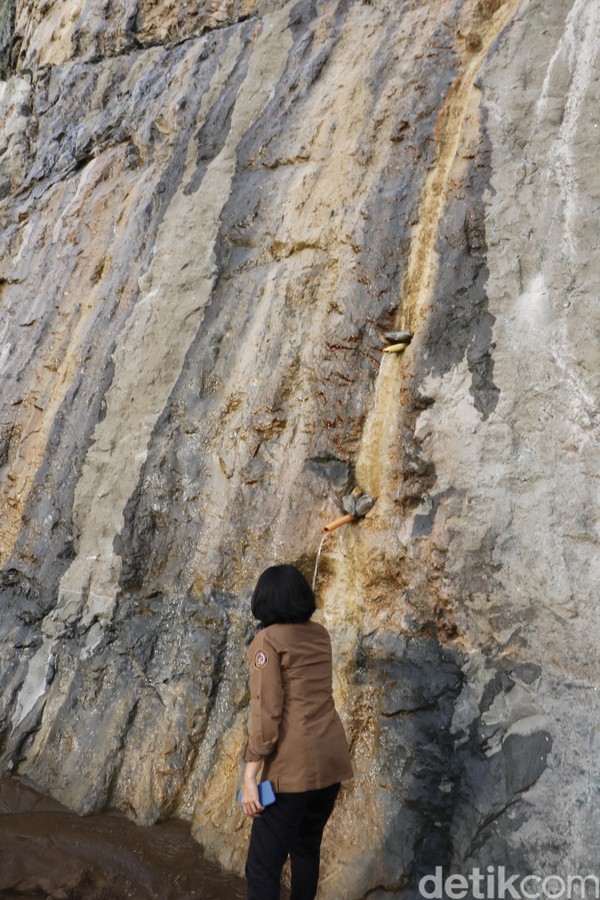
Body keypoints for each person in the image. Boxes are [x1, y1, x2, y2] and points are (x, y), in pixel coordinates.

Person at [240, 564, 353, 900]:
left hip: (293, 771)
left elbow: (267, 713)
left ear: (264, 601)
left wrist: (250, 776)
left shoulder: (267, 642)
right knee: (306, 850)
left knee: (262, 867)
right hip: (332, 763)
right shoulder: (320, 635)